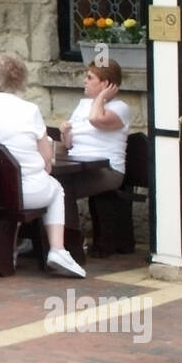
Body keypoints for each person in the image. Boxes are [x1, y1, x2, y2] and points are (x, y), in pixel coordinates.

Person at [0, 52, 85, 279]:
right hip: (25, 192)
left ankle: (11, 249)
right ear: (21, 81)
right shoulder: (29, 111)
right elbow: (46, 159)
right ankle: (58, 250)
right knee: (56, 189)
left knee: (16, 199)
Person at [59, 58, 131, 253]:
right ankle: (57, 241)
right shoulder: (82, 105)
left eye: (90, 78)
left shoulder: (120, 108)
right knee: (53, 184)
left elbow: (96, 119)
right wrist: (65, 133)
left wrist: (101, 98)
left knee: (61, 189)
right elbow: (69, 145)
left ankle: (70, 243)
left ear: (105, 84)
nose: (85, 81)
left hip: (107, 171)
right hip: (78, 164)